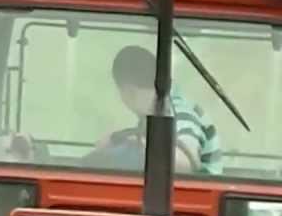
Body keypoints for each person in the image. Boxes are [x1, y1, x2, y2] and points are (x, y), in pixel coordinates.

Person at [83, 44, 222, 175]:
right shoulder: (156, 112)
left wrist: (135, 143)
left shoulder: (179, 113)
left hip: (194, 196)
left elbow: (185, 163)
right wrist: (117, 140)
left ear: (128, 92)